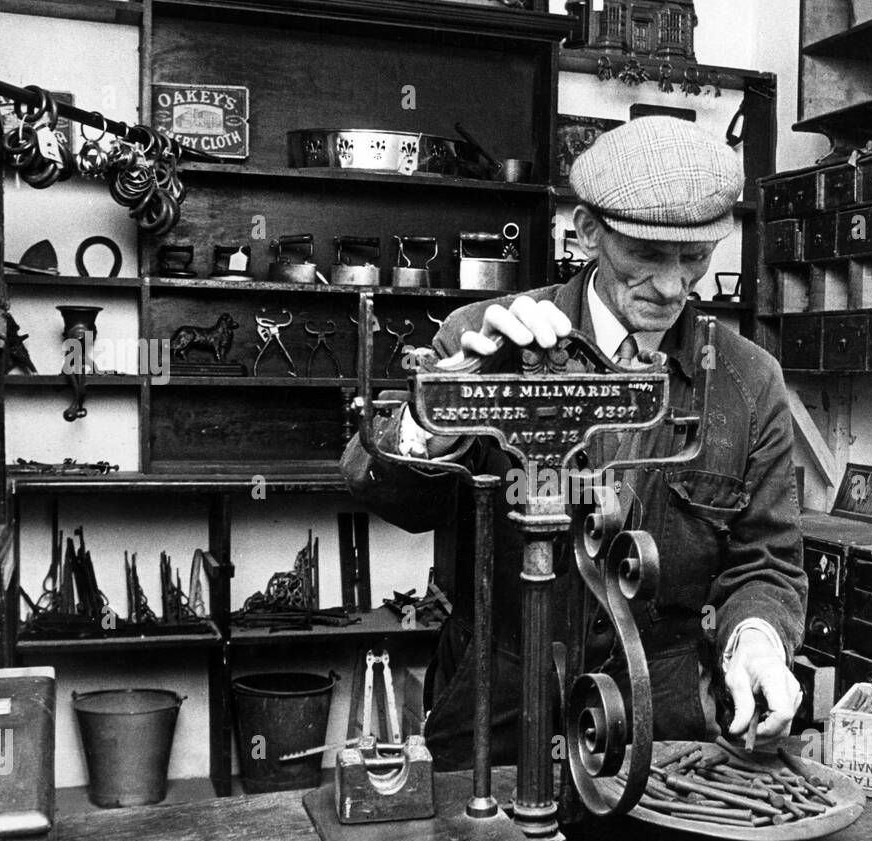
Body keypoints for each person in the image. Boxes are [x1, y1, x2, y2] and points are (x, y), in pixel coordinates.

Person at [342, 116, 807, 770]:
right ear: (587, 232)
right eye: (645, 254)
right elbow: (388, 494)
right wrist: (440, 412)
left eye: (695, 257)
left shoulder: (749, 382)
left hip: (663, 727)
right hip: (492, 715)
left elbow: (766, 561)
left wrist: (756, 640)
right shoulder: (482, 337)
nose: (673, 286)